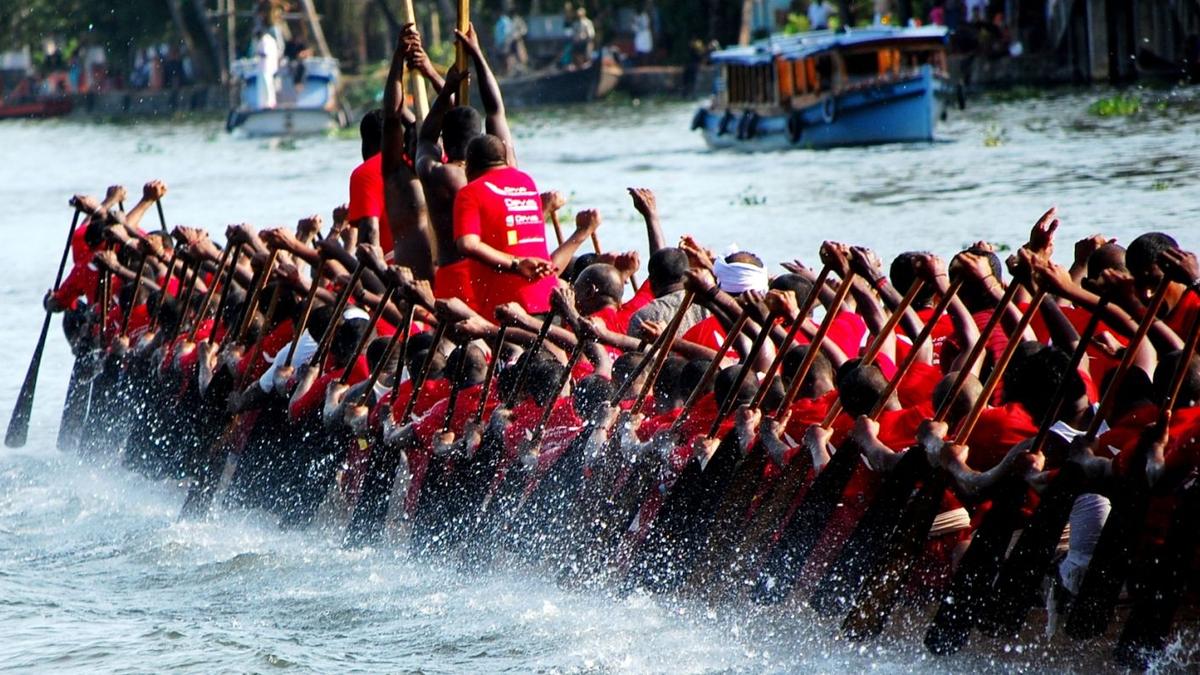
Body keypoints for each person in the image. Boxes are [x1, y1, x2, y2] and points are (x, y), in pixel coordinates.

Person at [453, 134, 557, 318]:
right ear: (505, 160)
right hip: (548, 298)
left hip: (507, 308)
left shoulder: (470, 192)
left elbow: (467, 244)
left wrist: (515, 265)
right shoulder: (526, 181)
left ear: (469, 165)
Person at [253, 28, 280, 109]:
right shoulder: (271, 40)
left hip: (266, 67)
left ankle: (268, 103)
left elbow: (265, 53)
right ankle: (268, 103)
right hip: (269, 67)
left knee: (266, 86)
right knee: (269, 86)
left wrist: (257, 52)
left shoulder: (265, 40)